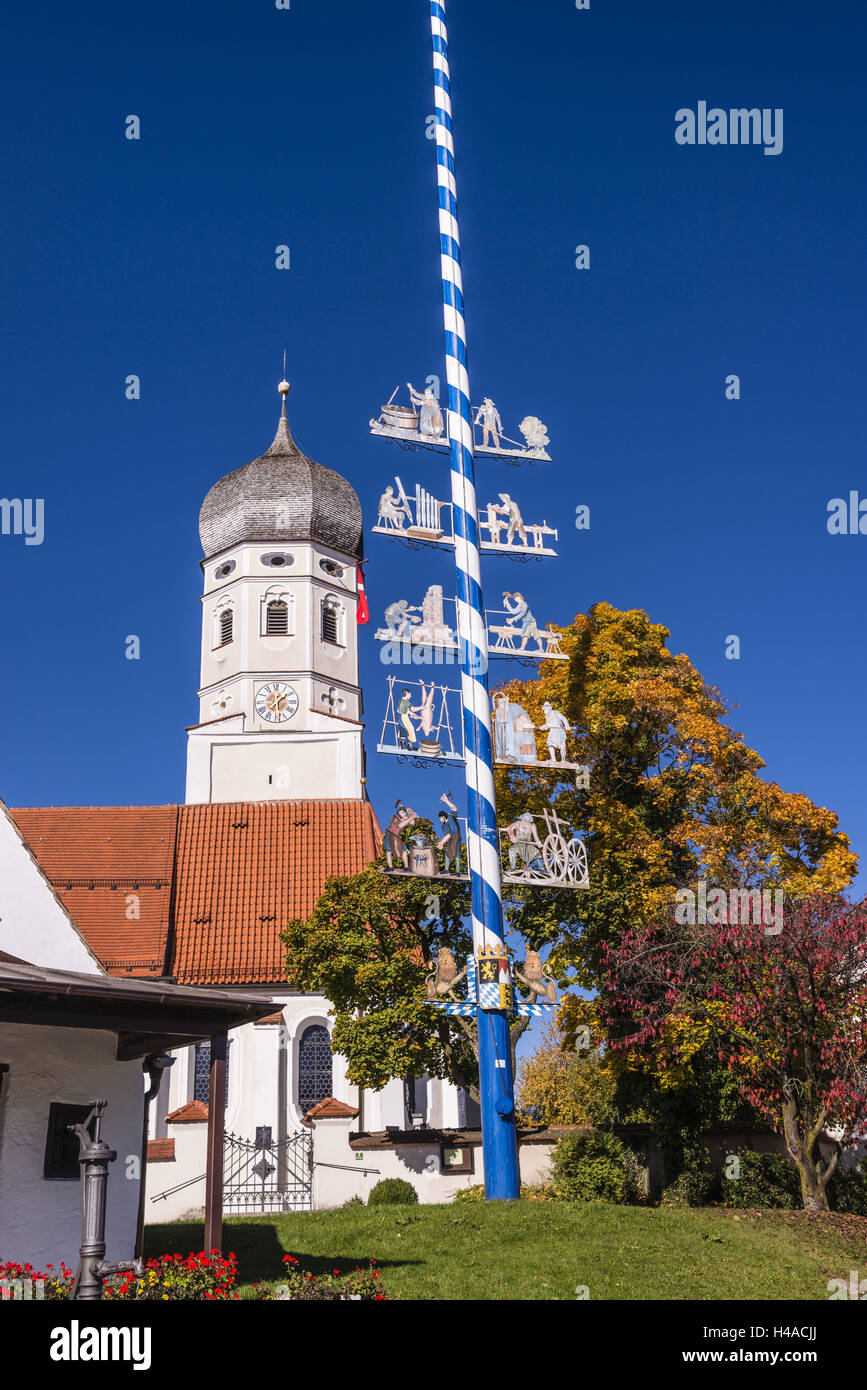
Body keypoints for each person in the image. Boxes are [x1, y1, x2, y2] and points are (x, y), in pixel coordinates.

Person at [436, 790, 462, 873]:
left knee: (456, 853)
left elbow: (454, 808)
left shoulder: (451, 817)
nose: (440, 820)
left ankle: (457, 871)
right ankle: (447, 869)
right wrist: (442, 842)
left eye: (440, 818)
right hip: (451, 838)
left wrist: (446, 801)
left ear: (443, 816)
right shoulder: (443, 826)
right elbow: (447, 835)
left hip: (456, 836)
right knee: (448, 852)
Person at [386, 801, 416, 869]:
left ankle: (406, 867)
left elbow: (412, 823)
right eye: (402, 812)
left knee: (404, 849)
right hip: (390, 834)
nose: (403, 813)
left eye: (404, 813)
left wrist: (409, 813)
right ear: (399, 812)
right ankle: (390, 866)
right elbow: (400, 825)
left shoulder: (404, 818)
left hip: (397, 836)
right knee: (389, 850)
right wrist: (410, 818)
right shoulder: (395, 818)